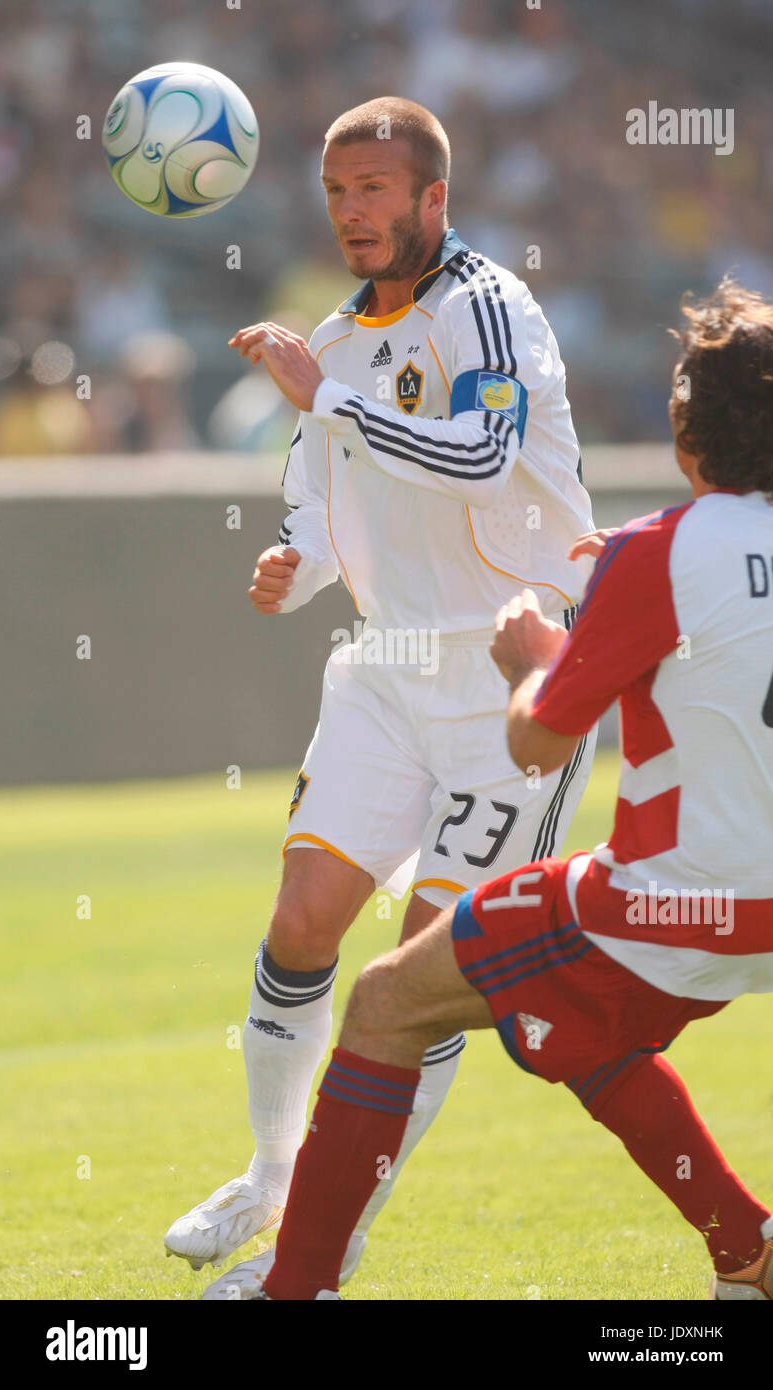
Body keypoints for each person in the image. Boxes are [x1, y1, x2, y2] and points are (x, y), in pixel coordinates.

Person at [205, 276, 773, 1301]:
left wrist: (540, 661)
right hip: (745, 908)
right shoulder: (661, 560)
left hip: (681, 896)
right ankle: (747, 1247)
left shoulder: (658, 554)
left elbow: (541, 746)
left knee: (384, 999)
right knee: (560, 1021)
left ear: (688, 433)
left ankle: (293, 1288)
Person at [165, 96, 595, 1281]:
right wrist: (292, 572)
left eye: (374, 190)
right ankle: (267, 1179)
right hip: (386, 668)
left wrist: (327, 398)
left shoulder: (488, 307)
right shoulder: (340, 339)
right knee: (302, 921)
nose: (353, 212)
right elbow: (321, 509)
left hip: (510, 678)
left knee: (417, 978)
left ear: (430, 198)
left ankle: (323, 1243)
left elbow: (483, 455)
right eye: (337, 193)